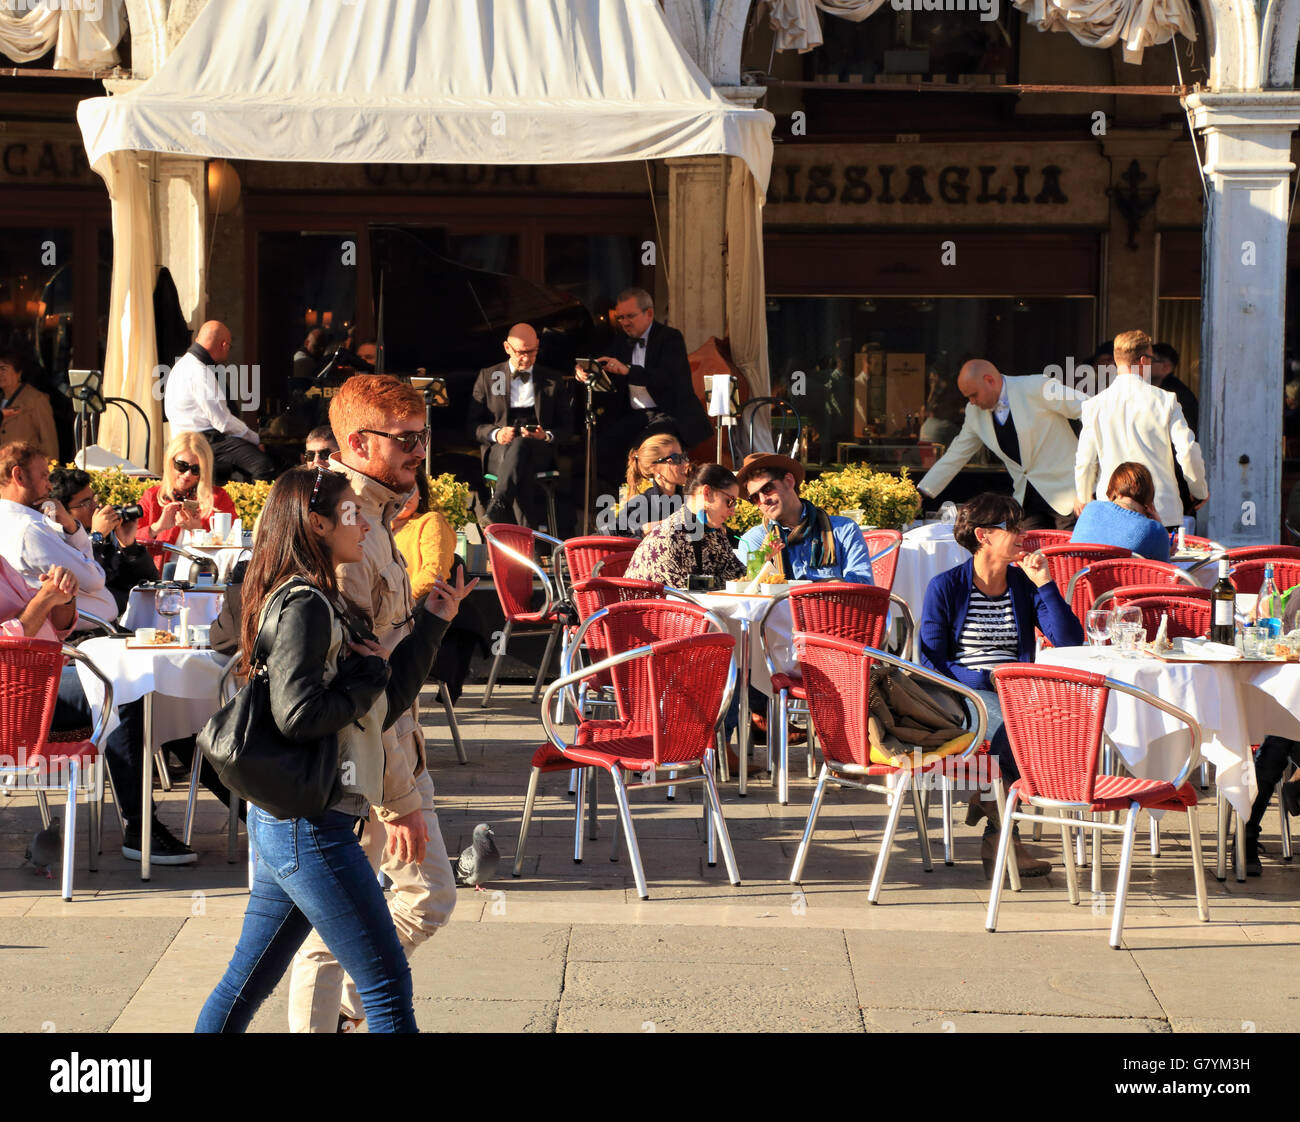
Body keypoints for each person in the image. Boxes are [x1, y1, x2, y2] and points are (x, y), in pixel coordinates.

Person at [195, 467, 473, 1034]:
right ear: (317, 523)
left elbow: (381, 706)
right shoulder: (305, 605)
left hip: (297, 822)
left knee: (246, 983)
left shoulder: (326, 597)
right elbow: (298, 716)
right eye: (352, 514)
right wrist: (366, 677)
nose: (364, 525)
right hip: (311, 826)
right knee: (386, 985)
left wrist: (431, 626)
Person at [287, 374, 472, 1034]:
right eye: (407, 439)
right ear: (359, 442)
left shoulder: (373, 516)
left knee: (388, 907)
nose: (420, 450)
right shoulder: (349, 532)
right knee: (410, 901)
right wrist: (401, 798)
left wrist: (432, 621)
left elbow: (384, 661)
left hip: (383, 753)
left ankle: (336, 1012)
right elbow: (360, 689)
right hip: (358, 764)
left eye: (424, 436)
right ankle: (334, 1014)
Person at [918, 492, 1084, 878]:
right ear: (983, 535)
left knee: (1042, 724)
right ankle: (1005, 836)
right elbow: (931, 661)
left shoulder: (1022, 585)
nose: (1022, 533)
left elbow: (1069, 642)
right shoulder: (945, 587)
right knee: (1017, 731)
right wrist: (982, 680)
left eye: (1020, 524)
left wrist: (1044, 584)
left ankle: (991, 811)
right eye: (1011, 527)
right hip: (962, 695)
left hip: (1018, 692)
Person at [917, 359, 1083, 531]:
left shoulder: (1038, 386)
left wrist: (1087, 482)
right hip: (1027, 503)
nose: (972, 402)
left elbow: (1092, 410)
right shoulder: (974, 413)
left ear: (990, 380)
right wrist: (921, 492)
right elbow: (955, 456)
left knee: (1069, 556)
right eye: (968, 397)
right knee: (1027, 556)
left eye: (974, 395)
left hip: (1071, 497)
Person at [575, 287, 712, 490]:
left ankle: (664, 505)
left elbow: (667, 377)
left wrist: (629, 370)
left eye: (630, 316)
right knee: (602, 447)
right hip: (637, 415)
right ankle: (623, 502)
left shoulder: (670, 338)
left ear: (649, 313)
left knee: (646, 450)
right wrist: (585, 369)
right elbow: (604, 360)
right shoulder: (622, 340)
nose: (624, 322)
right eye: (620, 317)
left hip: (668, 413)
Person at [1074, 329, 1208, 531]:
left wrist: (1083, 496)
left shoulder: (1094, 405)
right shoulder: (1166, 400)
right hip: (1160, 509)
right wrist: (1198, 489)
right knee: (1160, 564)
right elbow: (1187, 451)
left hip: (1112, 507)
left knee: (1117, 564)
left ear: (1118, 360)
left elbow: (1085, 461)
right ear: (1144, 360)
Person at [0, 441, 117, 622]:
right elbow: (94, 580)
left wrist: (71, 527)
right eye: (44, 477)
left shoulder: (17, 522)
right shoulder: (29, 529)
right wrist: (88, 534)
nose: (49, 486)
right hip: (74, 641)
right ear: (19, 476)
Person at [470, 323, 573, 527]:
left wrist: (546, 435)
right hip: (499, 451)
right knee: (520, 468)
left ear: (538, 346)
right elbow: (472, 425)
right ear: (507, 348)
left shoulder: (552, 379)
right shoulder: (488, 376)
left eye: (531, 352)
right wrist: (496, 434)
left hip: (539, 450)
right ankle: (530, 547)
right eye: (520, 353)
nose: (526, 358)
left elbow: (567, 428)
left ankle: (499, 504)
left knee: (521, 447)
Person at [163, 320, 276, 483]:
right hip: (201, 441)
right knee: (263, 465)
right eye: (230, 346)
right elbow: (222, 421)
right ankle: (251, 506)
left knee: (248, 455)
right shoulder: (199, 372)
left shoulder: (183, 365)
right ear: (223, 345)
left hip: (188, 438)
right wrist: (255, 438)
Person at [736, 453, 874, 584]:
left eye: (767, 489)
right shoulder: (753, 540)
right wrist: (762, 559)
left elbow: (863, 585)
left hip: (835, 608)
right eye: (754, 498)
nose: (763, 500)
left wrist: (819, 589)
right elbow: (752, 594)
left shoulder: (843, 529)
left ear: (789, 481)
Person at [48, 466, 158, 615]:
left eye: (94, 498)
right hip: (92, 630)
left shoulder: (100, 537)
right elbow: (85, 577)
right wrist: (96, 536)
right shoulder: (57, 542)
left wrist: (129, 546)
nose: (95, 507)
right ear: (63, 513)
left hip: (124, 619)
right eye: (86, 503)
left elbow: (149, 583)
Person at [624, 463, 744, 589]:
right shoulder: (669, 537)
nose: (733, 511)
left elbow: (738, 576)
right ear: (706, 493)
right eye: (730, 501)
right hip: (648, 608)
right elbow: (686, 595)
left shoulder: (714, 533)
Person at [138, 431, 239, 570]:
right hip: (162, 576)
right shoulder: (153, 496)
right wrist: (157, 527)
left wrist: (198, 531)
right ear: (170, 462)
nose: (187, 474)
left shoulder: (218, 498)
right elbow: (128, 540)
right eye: (182, 466)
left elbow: (232, 544)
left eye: (195, 469)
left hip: (203, 574)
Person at [1071, 462, 1170, 561]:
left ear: (1113, 486)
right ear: (1149, 494)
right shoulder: (1153, 530)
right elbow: (1165, 573)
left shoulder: (1090, 508)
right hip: (1119, 576)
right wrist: (1160, 527)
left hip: (1078, 575)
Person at [608, 432, 691, 538]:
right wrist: (642, 531)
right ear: (655, 468)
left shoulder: (690, 499)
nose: (685, 464)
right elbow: (609, 537)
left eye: (683, 456)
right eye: (675, 458)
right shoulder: (640, 505)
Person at [393, 472, 455, 600]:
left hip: (408, 612)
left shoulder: (429, 521)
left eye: (410, 490)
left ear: (420, 494)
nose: (405, 496)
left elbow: (435, 574)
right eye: (397, 490)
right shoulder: (371, 528)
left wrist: (398, 603)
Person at [0, 346, 59, 462]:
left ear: (18, 373)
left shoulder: (36, 399)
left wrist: (50, 469)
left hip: (26, 467)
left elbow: (48, 439)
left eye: (3, 369)